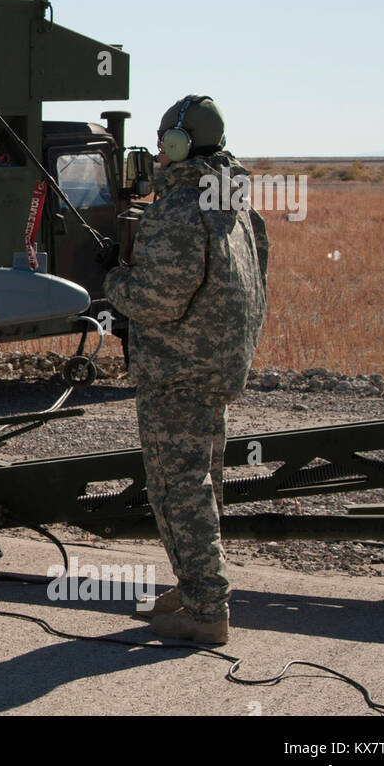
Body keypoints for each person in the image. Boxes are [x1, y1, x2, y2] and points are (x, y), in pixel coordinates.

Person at [100, 95, 269, 644]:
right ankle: (194, 586)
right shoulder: (234, 199)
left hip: (177, 367)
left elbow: (156, 300)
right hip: (217, 362)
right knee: (202, 478)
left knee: (179, 486)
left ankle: (205, 610)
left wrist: (113, 281)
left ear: (178, 144)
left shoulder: (178, 209)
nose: (156, 153)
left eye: (162, 142)